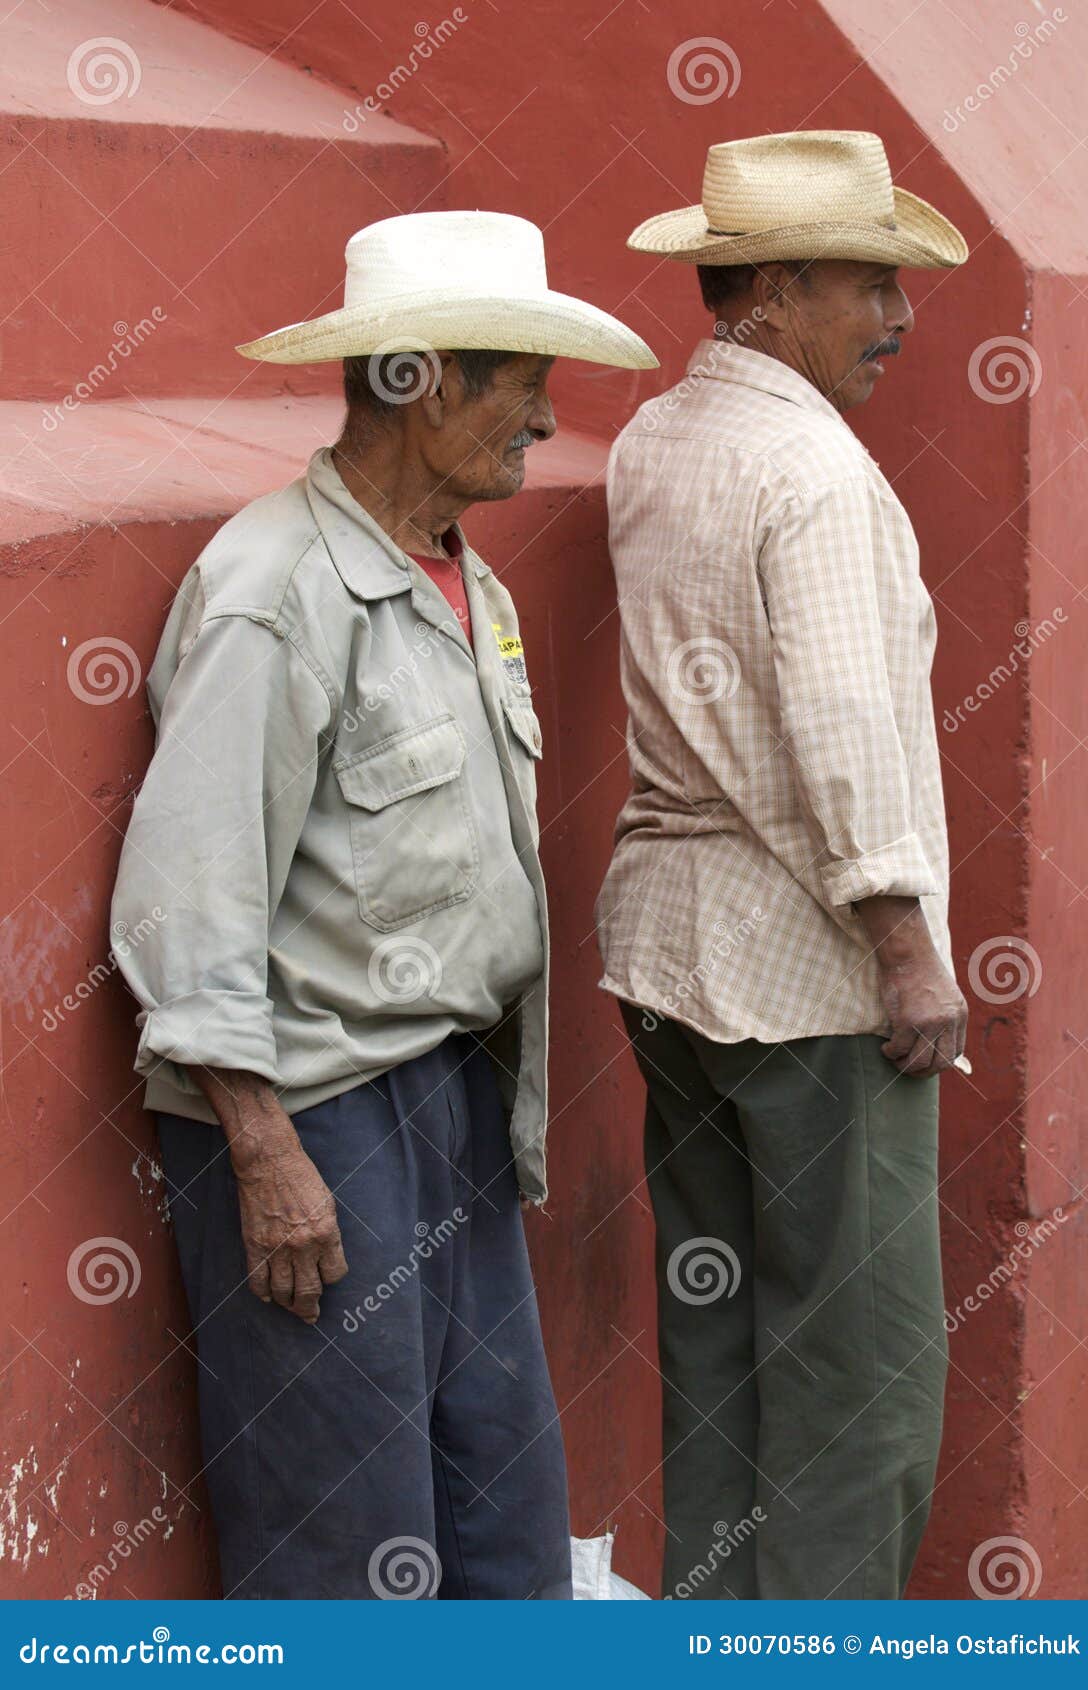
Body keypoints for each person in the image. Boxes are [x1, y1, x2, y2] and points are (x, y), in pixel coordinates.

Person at [110, 209, 655, 1599]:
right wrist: (262, 1148)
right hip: (312, 1114)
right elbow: (190, 893)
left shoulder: (456, 575)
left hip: (449, 1097)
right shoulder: (274, 590)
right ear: (416, 383)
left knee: (501, 1517)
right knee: (339, 1540)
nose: (544, 412)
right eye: (517, 375)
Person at [595, 132, 969, 1599]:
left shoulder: (658, 437)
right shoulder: (812, 468)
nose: (896, 315)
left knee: (718, 1338)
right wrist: (904, 939)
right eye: (868, 281)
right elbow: (834, 717)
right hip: (813, 974)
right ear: (769, 290)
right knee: (857, 1376)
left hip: (675, 957)